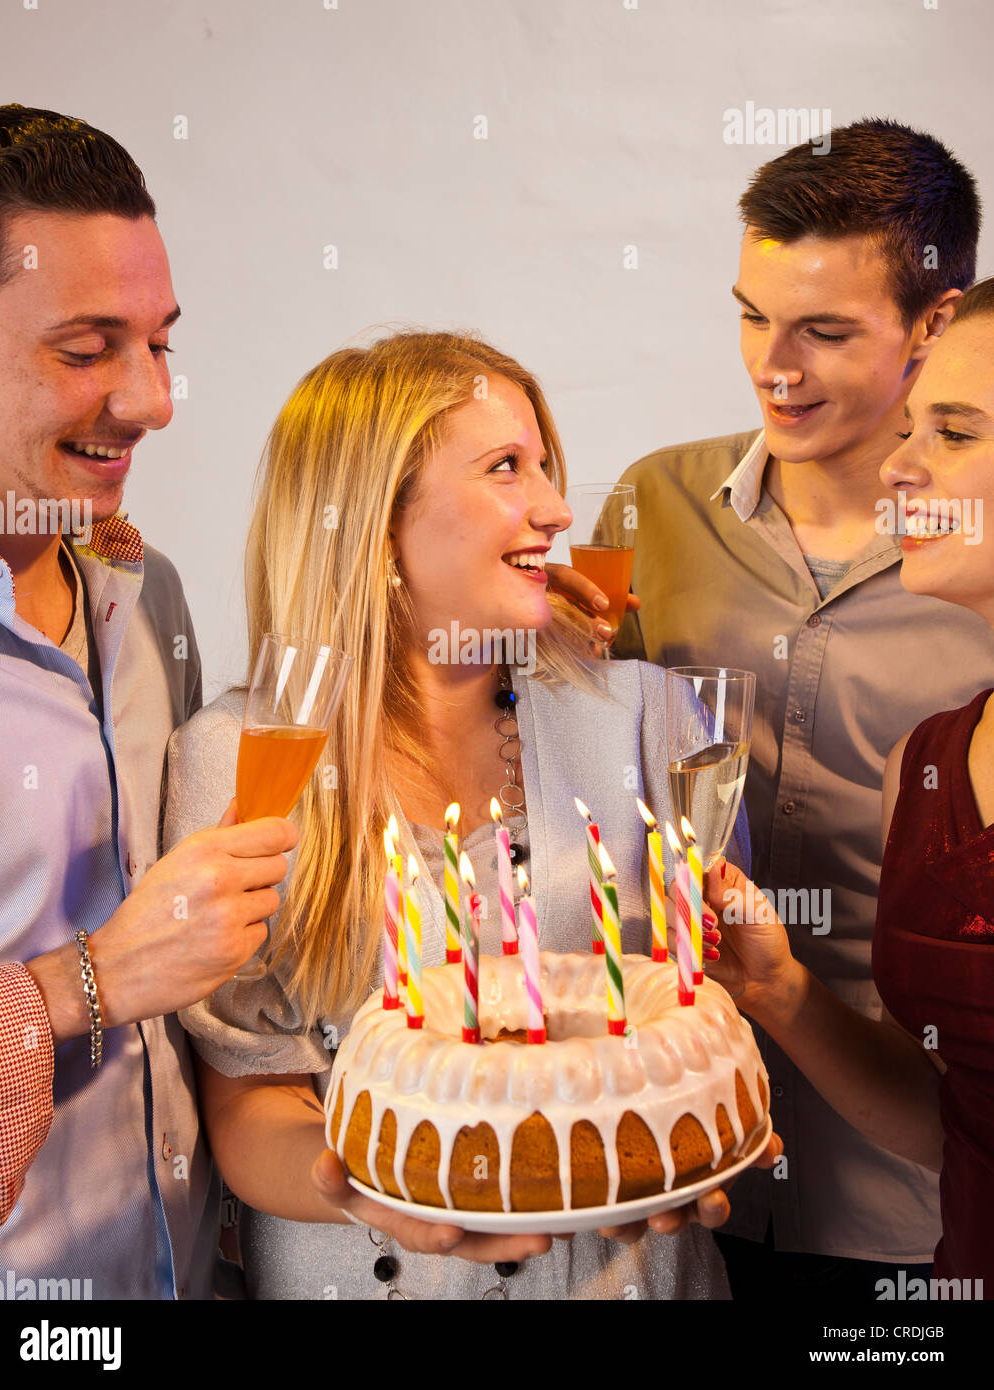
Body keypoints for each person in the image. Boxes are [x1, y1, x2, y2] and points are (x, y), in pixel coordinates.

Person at [163, 329, 774, 1300]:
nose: (555, 508)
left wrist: (694, 1141)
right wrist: (374, 1193)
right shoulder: (237, 756)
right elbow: (246, 1097)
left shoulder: (647, 717)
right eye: (504, 469)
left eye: (544, 466)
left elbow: (700, 1016)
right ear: (373, 523)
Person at [550, 118, 994, 1295]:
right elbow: (564, 757)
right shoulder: (653, 502)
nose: (771, 366)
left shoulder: (977, 557)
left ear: (935, 323)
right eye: (751, 315)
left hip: (912, 1194)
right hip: (691, 1155)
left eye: (823, 331)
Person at [0, 105, 296, 1299]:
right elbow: (133, 961)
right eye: (87, 348)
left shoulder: (141, 585)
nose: (153, 400)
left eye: (159, 343)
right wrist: (92, 978)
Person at [701, 274, 994, 1292]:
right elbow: (948, 1114)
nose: (900, 469)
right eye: (910, 426)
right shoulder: (929, 763)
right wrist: (782, 992)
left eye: (953, 432)